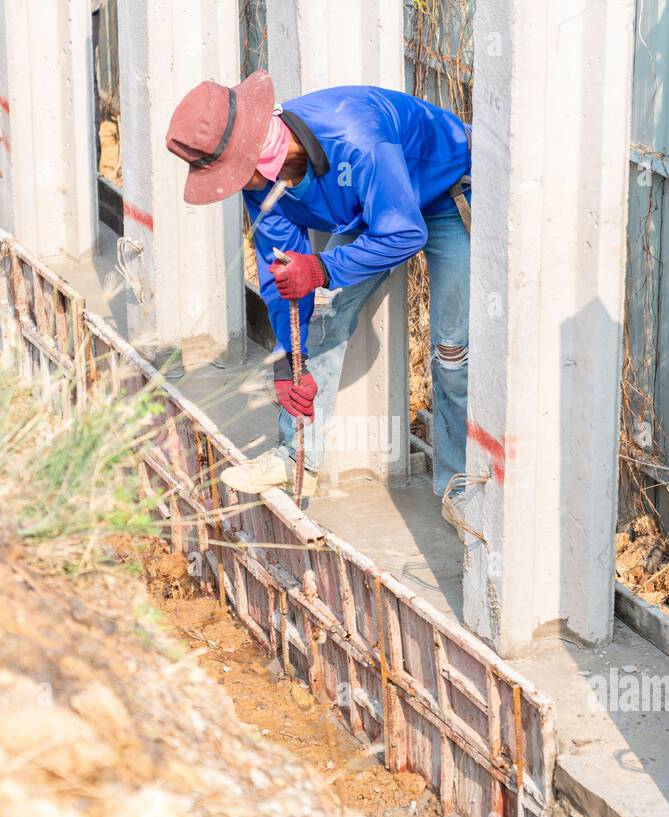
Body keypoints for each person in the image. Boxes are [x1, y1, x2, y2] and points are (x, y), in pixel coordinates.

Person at [165, 69, 471, 500]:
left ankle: (457, 487)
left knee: (451, 351)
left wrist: (323, 269)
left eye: (232, 174)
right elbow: (283, 275)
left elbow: (404, 233)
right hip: (372, 208)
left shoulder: (357, 141)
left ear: (256, 150)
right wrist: (290, 361)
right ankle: (296, 457)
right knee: (326, 315)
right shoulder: (260, 182)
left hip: (447, 193)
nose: (234, 185)